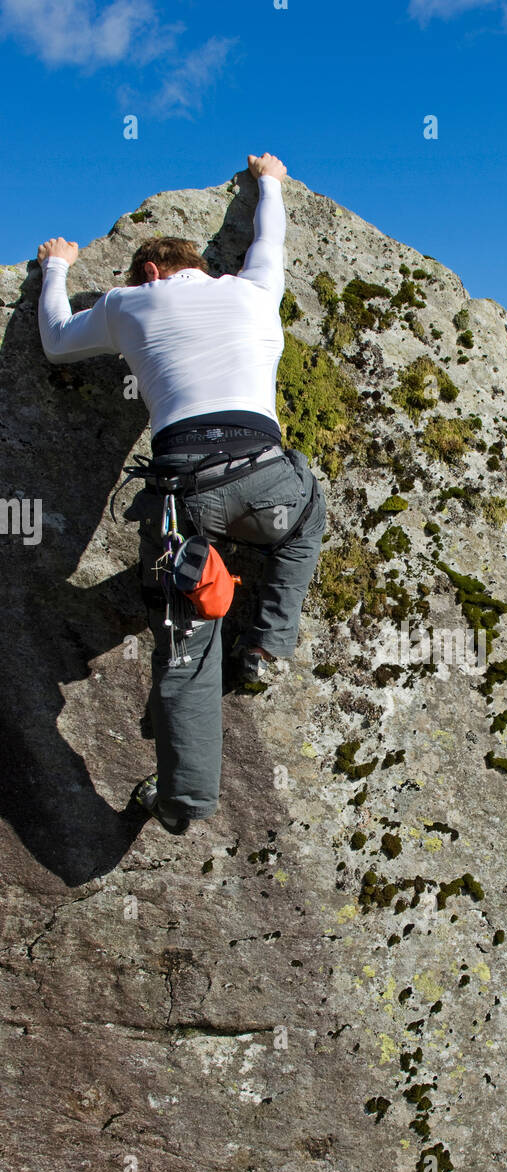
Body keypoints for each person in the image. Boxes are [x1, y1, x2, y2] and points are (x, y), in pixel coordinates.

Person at [37, 152, 326, 834]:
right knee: (305, 514)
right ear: (200, 265)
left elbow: (53, 342)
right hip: (267, 482)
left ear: (149, 271)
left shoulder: (130, 302)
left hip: (183, 504)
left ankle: (184, 801)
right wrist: (270, 183)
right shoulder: (254, 290)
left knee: (188, 649)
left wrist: (56, 266)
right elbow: (267, 239)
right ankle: (266, 647)